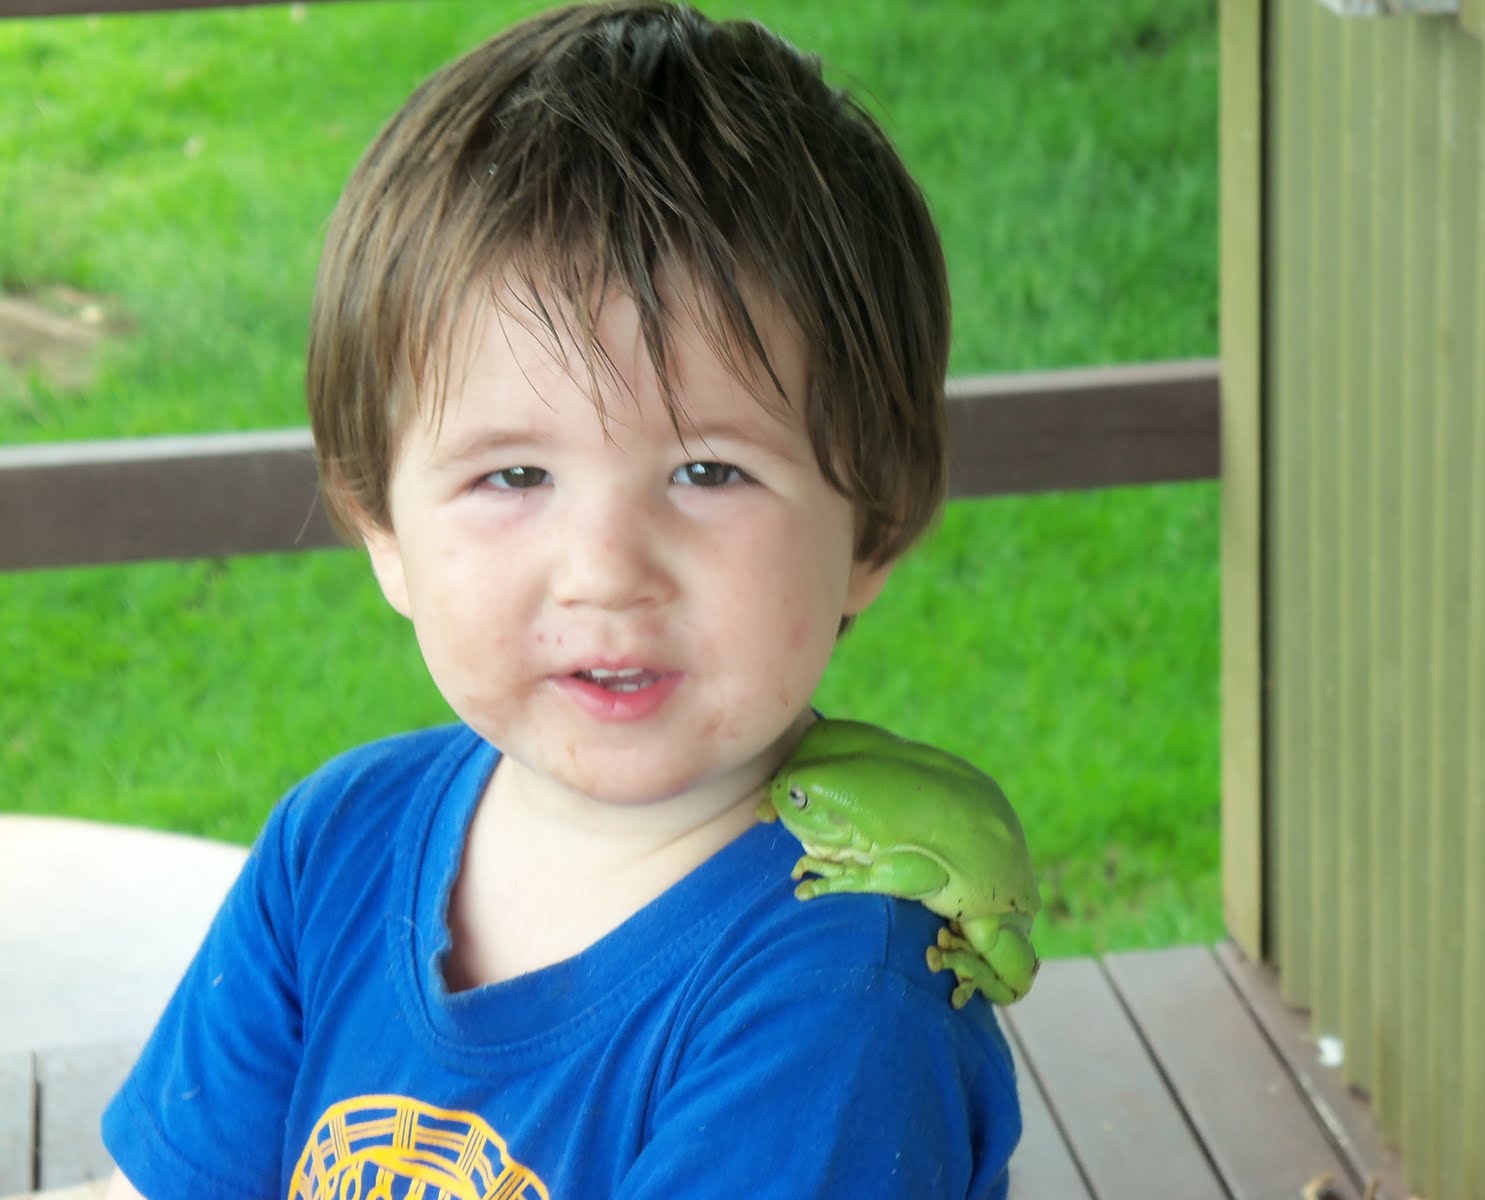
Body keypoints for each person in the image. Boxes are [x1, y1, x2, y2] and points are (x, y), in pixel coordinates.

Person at [101, 2, 1021, 1196]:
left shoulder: (839, 1007)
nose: (603, 569)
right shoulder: (333, 845)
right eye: (512, 474)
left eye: (707, 471)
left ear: (874, 525)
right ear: (381, 524)